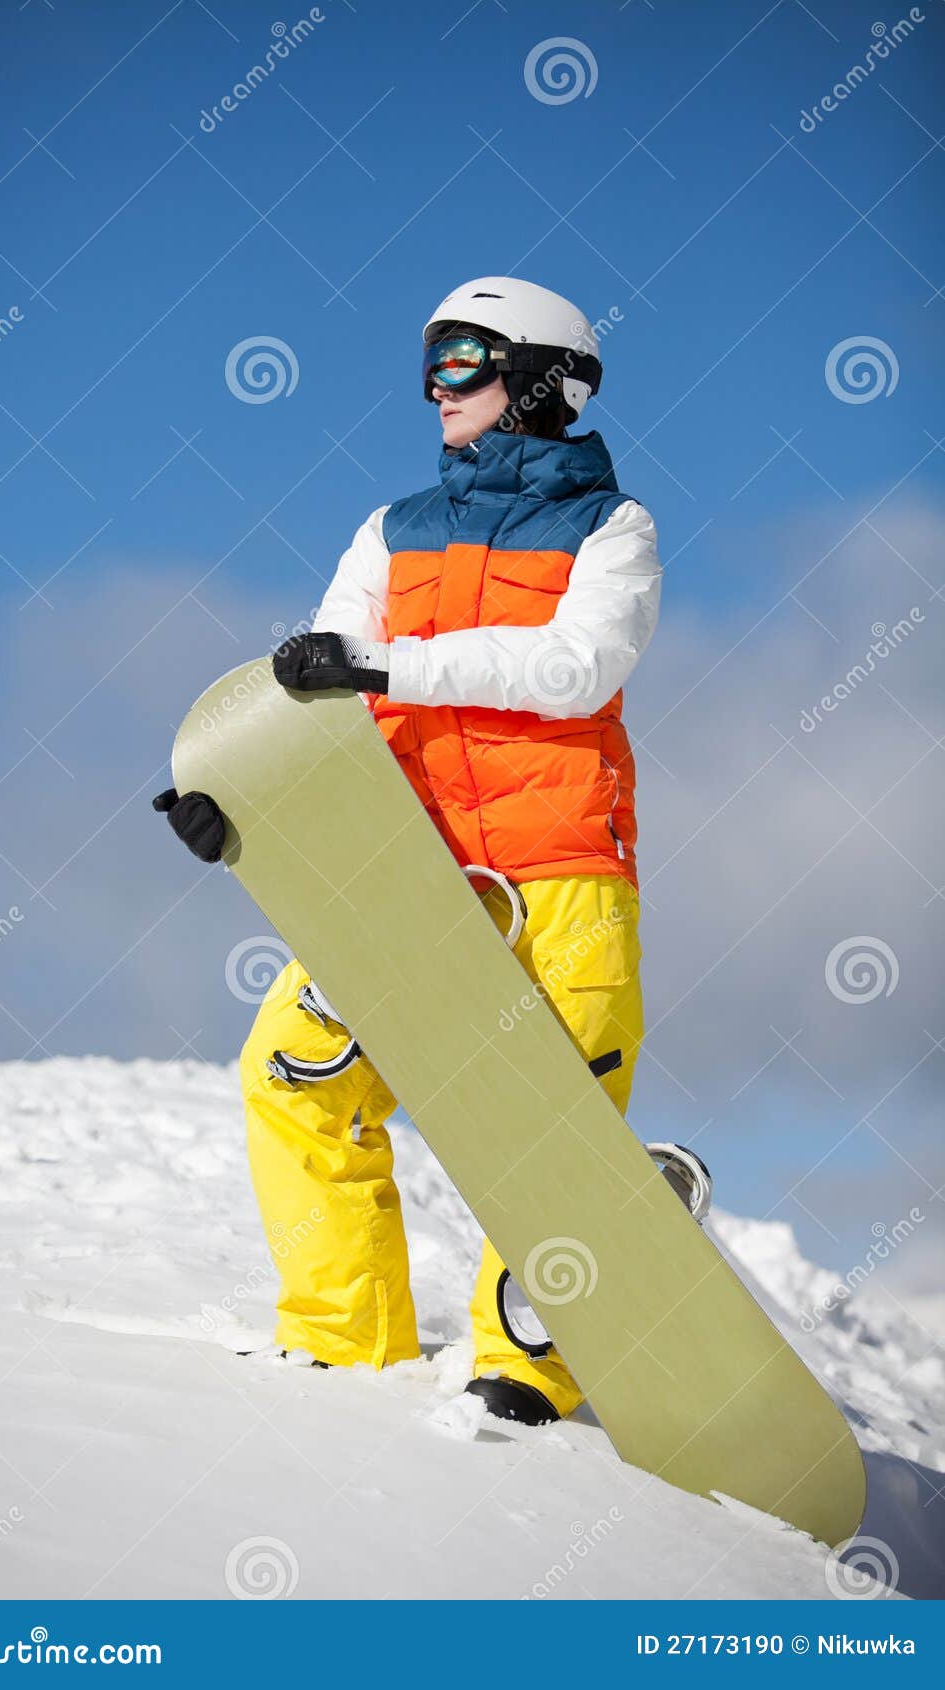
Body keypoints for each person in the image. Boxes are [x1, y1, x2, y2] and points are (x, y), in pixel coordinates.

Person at [156, 277, 662, 1424]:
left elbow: (576, 668)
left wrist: (385, 669)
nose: (435, 384)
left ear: (541, 379)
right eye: (430, 360)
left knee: (546, 1130)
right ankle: (344, 1339)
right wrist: (237, 800)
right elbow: (317, 683)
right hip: (410, 879)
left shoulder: (611, 530)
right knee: (291, 1077)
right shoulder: (389, 533)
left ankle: (521, 1371)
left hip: (561, 871)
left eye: (464, 358)